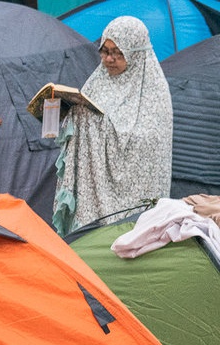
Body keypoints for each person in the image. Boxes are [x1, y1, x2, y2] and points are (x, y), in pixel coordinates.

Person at [51, 15, 173, 235]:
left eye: (117, 52)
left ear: (136, 53)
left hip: (132, 194)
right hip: (93, 188)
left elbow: (149, 142)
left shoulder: (153, 88)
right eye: (105, 51)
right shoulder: (98, 80)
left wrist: (96, 124)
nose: (109, 59)